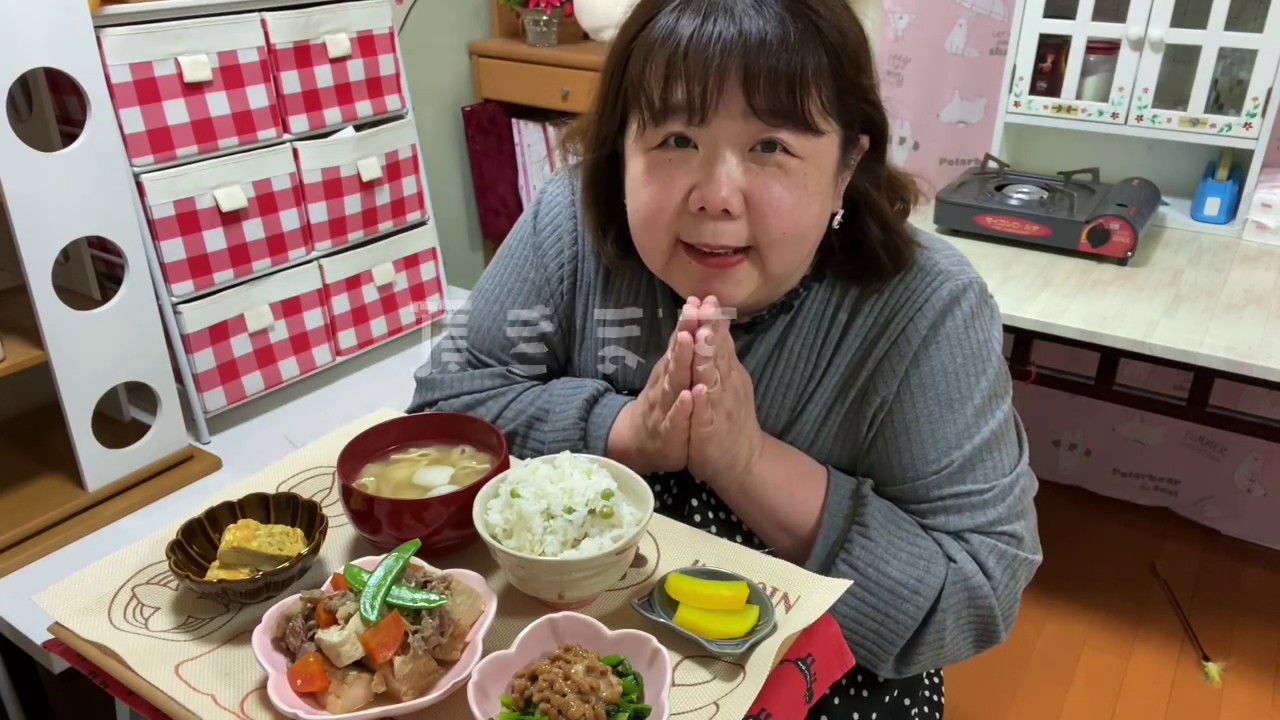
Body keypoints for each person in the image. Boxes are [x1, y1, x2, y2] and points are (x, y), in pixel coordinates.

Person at [410, 0, 1043, 715]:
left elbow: (976, 594)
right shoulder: (573, 222)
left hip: (829, 676)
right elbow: (441, 412)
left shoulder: (927, 307)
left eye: (771, 146)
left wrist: (746, 463)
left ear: (845, 167)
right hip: (579, 652)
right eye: (676, 138)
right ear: (622, 148)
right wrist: (629, 433)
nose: (715, 197)